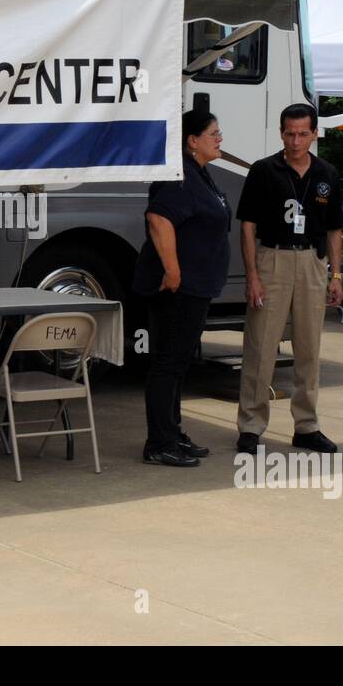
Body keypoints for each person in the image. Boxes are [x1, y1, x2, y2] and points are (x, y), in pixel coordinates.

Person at [235, 103, 343, 455]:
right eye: (289, 133)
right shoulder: (264, 171)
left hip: (312, 261)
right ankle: (251, 425)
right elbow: (248, 226)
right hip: (273, 259)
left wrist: (336, 275)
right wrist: (253, 275)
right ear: (281, 133)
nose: (296, 141)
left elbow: (334, 229)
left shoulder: (327, 173)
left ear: (314, 133)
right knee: (261, 346)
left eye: (302, 134)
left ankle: (307, 425)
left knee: (309, 348)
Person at [132, 110, 232, 467]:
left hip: (197, 287)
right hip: (178, 289)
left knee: (179, 364)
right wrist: (173, 271)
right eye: (213, 133)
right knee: (167, 364)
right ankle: (159, 442)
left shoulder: (199, 174)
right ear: (192, 140)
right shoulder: (178, 176)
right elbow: (159, 219)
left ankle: (172, 433)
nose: (220, 139)